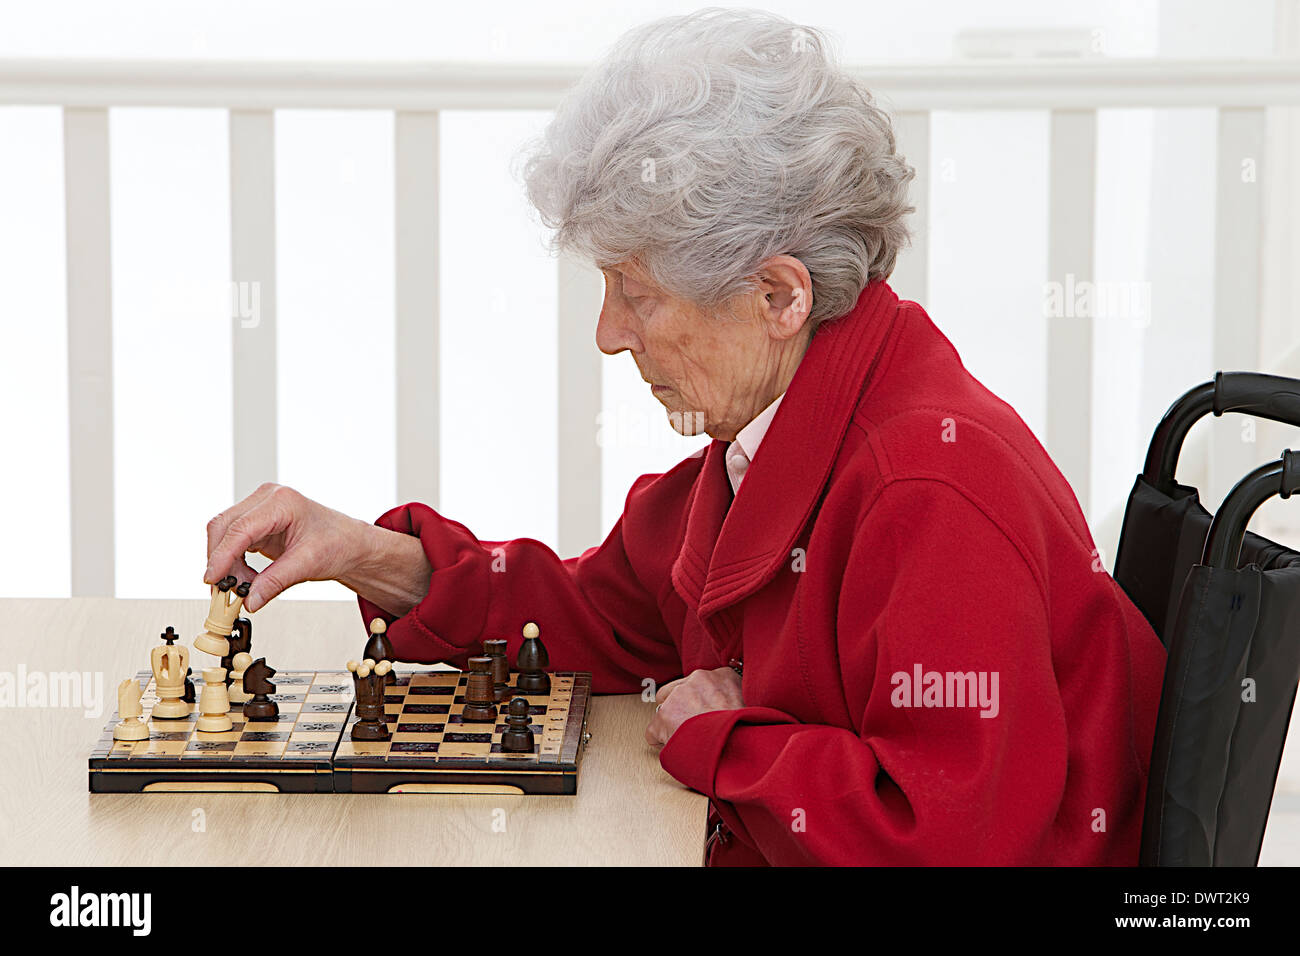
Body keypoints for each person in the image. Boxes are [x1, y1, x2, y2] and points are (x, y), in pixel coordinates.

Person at [203, 9, 1166, 866]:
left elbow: (952, 843)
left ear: (779, 295)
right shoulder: (783, 429)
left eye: (638, 291)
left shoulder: (929, 490)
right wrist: (367, 554)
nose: (608, 332)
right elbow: (596, 614)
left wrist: (730, 740)